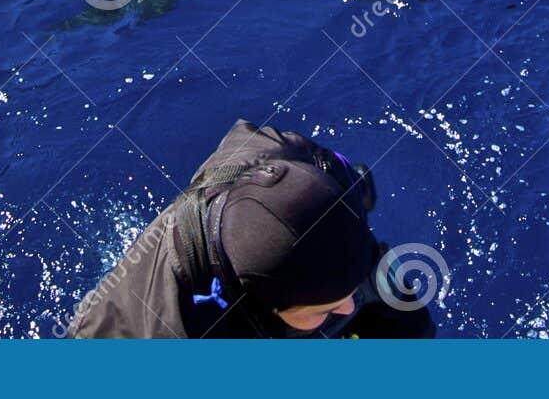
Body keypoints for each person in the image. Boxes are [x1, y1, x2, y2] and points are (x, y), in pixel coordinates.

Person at [66, 120, 436, 338]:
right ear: (267, 305)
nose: (349, 306)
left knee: (398, 310)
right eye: (326, 308)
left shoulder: (278, 156)